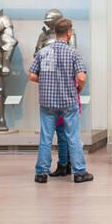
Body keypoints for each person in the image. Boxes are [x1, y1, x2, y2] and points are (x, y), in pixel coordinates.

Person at [28, 18, 93, 184]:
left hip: (47, 103)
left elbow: (32, 75)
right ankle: (79, 172)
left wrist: (45, 81)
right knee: (73, 137)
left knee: (46, 138)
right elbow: (81, 77)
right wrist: (78, 88)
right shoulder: (73, 53)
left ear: (55, 32)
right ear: (69, 33)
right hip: (68, 101)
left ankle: (41, 173)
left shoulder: (43, 52)